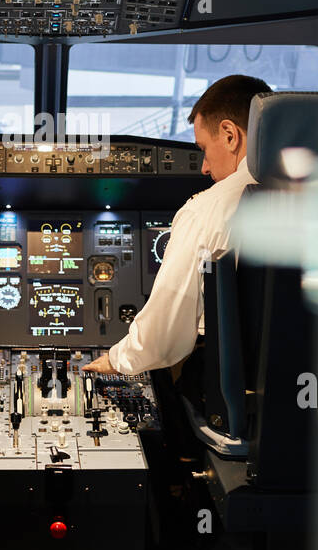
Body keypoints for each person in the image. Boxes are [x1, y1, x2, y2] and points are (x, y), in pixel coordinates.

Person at [82, 75, 272, 376]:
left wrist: (118, 360)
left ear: (229, 135)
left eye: (204, 149)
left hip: (240, 392)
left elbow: (165, 333)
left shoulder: (205, 211)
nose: (204, 167)